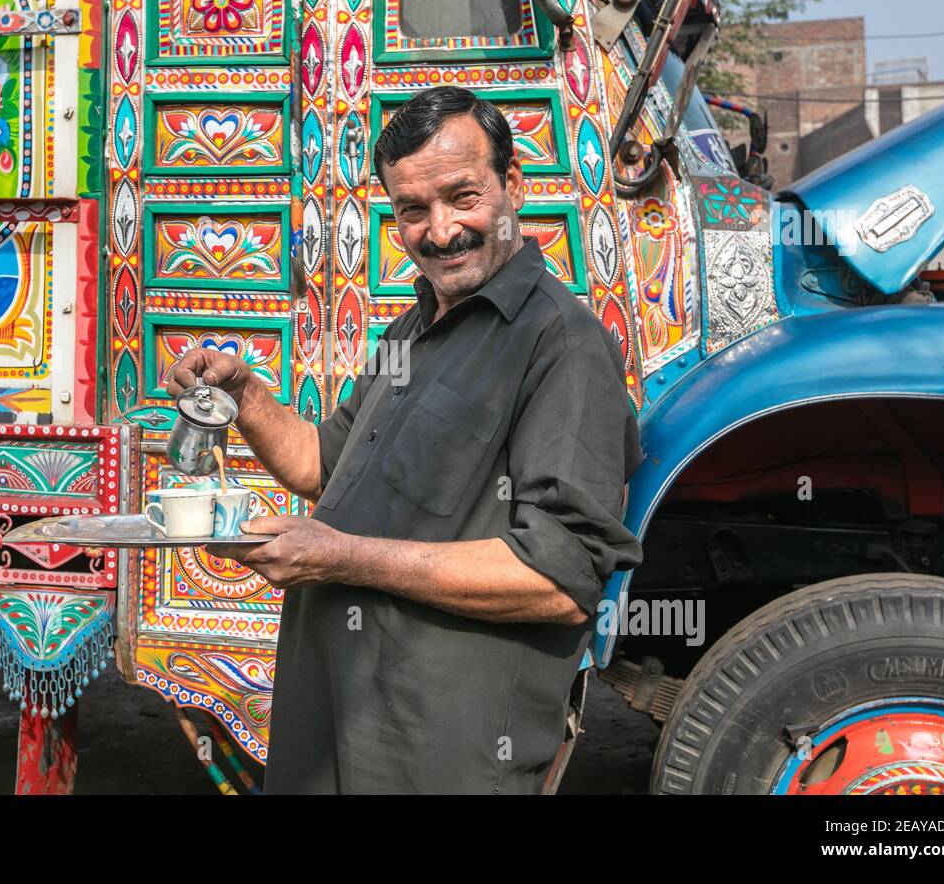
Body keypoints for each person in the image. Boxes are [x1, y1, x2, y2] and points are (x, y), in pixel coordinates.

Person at [166, 85, 644, 793]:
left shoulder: (559, 344)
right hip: (336, 728)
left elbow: (560, 579)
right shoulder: (412, 333)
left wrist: (341, 557)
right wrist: (244, 394)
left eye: (463, 196)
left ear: (512, 186)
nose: (442, 229)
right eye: (414, 210)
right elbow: (319, 466)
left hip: (435, 753)